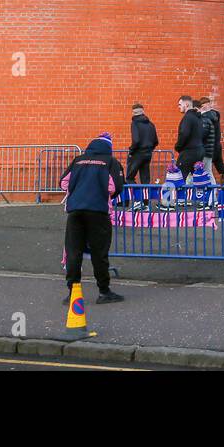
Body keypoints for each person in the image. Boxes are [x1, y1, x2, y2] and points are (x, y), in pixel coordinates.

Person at [60, 132, 125, 304]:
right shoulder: (110, 162)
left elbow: (63, 182)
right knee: (99, 253)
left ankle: (73, 292)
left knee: (74, 252)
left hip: (75, 210)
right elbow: (116, 187)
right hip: (98, 210)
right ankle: (104, 291)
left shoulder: (78, 160)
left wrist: (78, 192)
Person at [126, 103, 158, 190]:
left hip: (137, 153)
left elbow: (136, 140)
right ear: (143, 111)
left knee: (129, 178)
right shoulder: (151, 124)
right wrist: (150, 149)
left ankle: (137, 199)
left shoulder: (134, 123)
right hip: (148, 154)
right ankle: (145, 202)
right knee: (145, 180)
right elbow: (156, 141)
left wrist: (131, 150)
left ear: (133, 113)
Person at [174, 95, 205, 184]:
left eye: (180, 104)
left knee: (179, 178)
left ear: (186, 104)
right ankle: (197, 197)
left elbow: (184, 134)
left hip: (188, 152)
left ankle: (179, 197)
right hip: (199, 151)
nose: (178, 107)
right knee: (197, 180)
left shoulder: (188, 117)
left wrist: (178, 147)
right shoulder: (198, 118)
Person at [200, 97, 224, 185]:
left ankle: (210, 190)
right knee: (221, 168)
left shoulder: (204, 116)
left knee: (206, 170)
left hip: (208, 147)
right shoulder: (216, 114)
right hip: (217, 146)